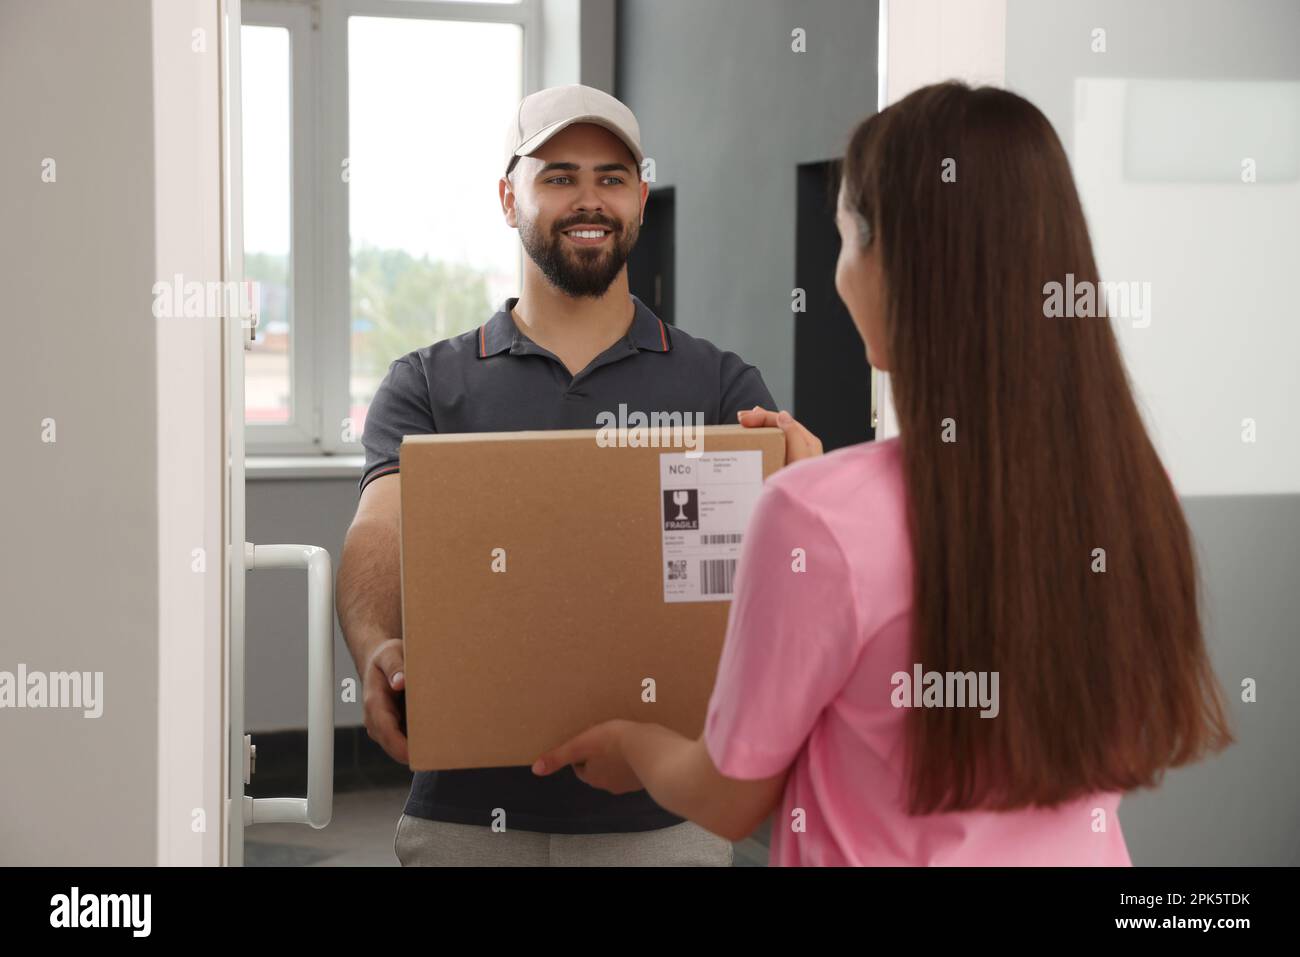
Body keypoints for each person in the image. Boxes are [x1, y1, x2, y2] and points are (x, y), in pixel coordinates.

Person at [534, 81, 1235, 866]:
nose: (838, 276)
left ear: (892, 261)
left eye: (844, 240)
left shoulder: (814, 515)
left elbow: (730, 795)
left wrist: (634, 745)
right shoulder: (1136, 491)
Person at [336, 84, 807, 866]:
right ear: (507, 196)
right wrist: (377, 642)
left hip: (665, 824)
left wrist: (808, 491)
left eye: (611, 177)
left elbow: (778, 581)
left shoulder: (722, 388)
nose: (589, 198)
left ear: (641, 199)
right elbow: (380, 528)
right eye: (558, 176)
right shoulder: (426, 383)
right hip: (466, 815)